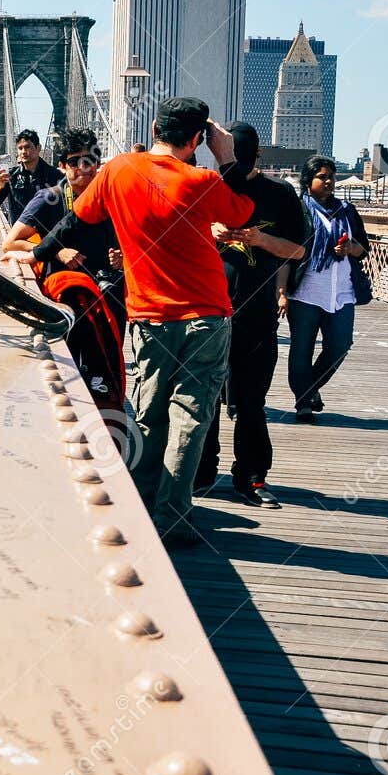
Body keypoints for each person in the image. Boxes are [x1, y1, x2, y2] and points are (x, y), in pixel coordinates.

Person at [71, 96, 255, 549]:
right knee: (191, 417)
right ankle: (172, 517)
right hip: (206, 315)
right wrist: (227, 157)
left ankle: (138, 507)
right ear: (197, 140)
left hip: (150, 316)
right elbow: (242, 213)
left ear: (153, 127)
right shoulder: (203, 180)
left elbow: (82, 215)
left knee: (148, 415)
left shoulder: (117, 169)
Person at [193, 123, 307, 507]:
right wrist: (212, 230)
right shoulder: (207, 185)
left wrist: (259, 239)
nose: (234, 166)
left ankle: (252, 477)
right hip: (209, 311)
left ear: (256, 156)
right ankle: (202, 472)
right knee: (203, 398)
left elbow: (298, 251)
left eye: (241, 158)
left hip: (256, 316)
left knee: (253, 402)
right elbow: (180, 238)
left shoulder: (281, 194)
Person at [1, 128, 127, 410]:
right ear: (62, 166)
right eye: (74, 162)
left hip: (109, 298)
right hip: (65, 302)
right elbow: (10, 243)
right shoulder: (50, 198)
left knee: (105, 375)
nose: (83, 169)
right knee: (68, 379)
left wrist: (124, 259)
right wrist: (57, 250)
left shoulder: (113, 198)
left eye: (89, 161)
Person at [287, 155, 369, 421]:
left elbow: (363, 249)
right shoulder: (297, 210)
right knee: (302, 348)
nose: (329, 181)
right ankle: (303, 403)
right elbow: (286, 253)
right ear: (308, 181)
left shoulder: (348, 211)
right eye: (322, 177)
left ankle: (310, 388)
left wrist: (350, 248)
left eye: (332, 176)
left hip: (341, 292)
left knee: (339, 346)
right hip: (305, 291)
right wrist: (280, 292)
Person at [0, 129, 62, 222]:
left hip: (46, 234)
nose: (23, 152)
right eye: (20, 148)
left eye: (27, 147)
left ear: (38, 148)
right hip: (19, 233)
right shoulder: (11, 176)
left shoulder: (55, 175)